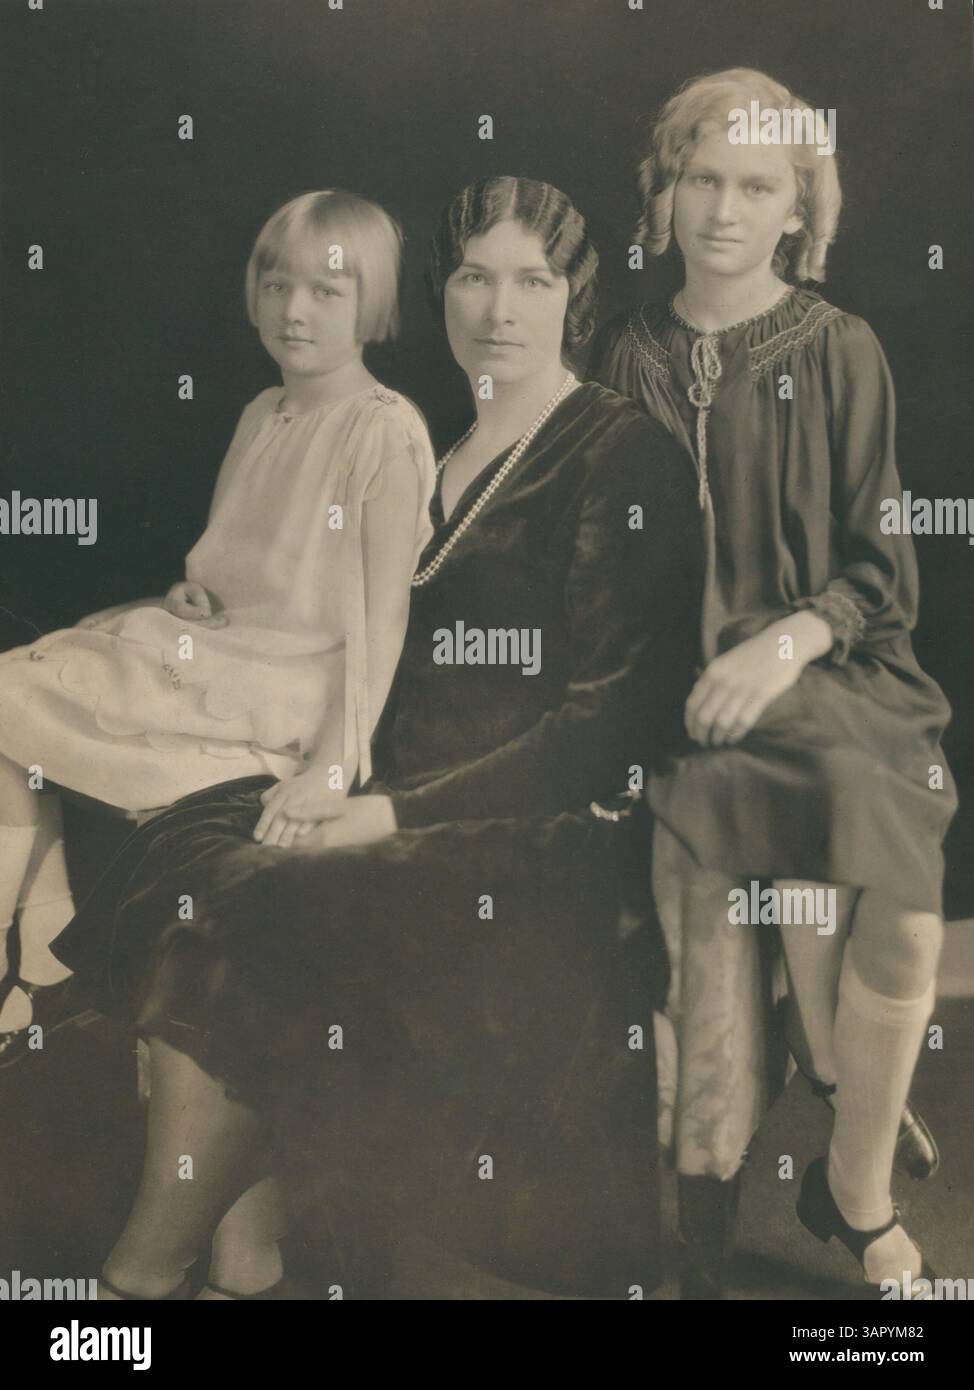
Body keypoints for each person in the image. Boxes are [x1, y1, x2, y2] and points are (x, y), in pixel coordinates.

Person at [52, 175, 704, 1300]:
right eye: (471, 275)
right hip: (385, 792)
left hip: (529, 842)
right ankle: (247, 1250)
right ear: (436, 292)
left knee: (243, 912)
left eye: (532, 281)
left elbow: (613, 724)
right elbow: (340, 631)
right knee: (186, 860)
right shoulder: (431, 450)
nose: (497, 308)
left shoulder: (616, 453)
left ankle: (137, 1277)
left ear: (574, 299)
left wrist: (377, 810)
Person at [588, 68, 957, 1297]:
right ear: (664, 190)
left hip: (834, 664)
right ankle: (825, 1092)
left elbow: (878, 575)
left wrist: (780, 643)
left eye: (759, 186)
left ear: (801, 208)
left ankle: (848, 1184)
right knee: (772, 815)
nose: (725, 210)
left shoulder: (841, 349)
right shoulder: (621, 360)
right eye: (702, 178)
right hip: (677, 694)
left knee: (900, 899)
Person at [0, 190, 436, 1065]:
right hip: (221, 646)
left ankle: (31, 971)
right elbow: (241, 569)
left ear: (374, 305)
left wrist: (338, 761)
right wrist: (192, 595)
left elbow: (381, 617)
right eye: (277, 285)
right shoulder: (261, 414)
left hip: (293, 685)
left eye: (326, 291)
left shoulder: (385, 430)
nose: (294, 310)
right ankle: (42, 949)